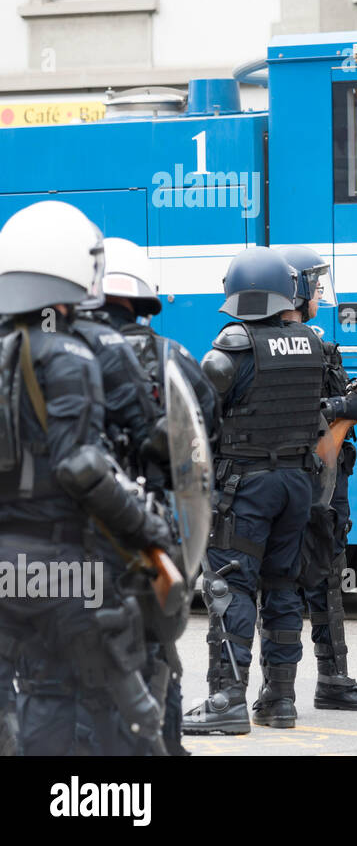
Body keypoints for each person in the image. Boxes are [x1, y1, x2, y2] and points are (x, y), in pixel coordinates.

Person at [183, 247, 357, 734]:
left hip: (246, 484)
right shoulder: (311, 344)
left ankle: (227, 699)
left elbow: (201, 419)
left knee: (231, 585)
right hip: (298, 484)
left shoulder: (232, 346)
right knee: (283, 586)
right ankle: (280, 698)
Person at [0, 201, 169, 755]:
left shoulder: (8, 347)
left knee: (40, 695)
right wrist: (148, 527)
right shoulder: (68, 351)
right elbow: (80, 465)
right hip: (63, 564)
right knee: (123, 702)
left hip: (8, 564)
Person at [83, 236, 222, 754]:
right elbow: (206, 442)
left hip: (75, 541)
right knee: (154, 655)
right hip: (154, 540)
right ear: (144, 297)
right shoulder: (174, 357)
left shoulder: (63, 354)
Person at [282, 245, 357, 714]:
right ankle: (277, 689)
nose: (321, 291)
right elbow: (304, 414)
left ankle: (333, 678)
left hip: (329, 482)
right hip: (292, 481)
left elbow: (350, 403)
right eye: (314, 282)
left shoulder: (324, 346)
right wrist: (338, 409)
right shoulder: (268, 345)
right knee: (282, 586)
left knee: (328, 580)